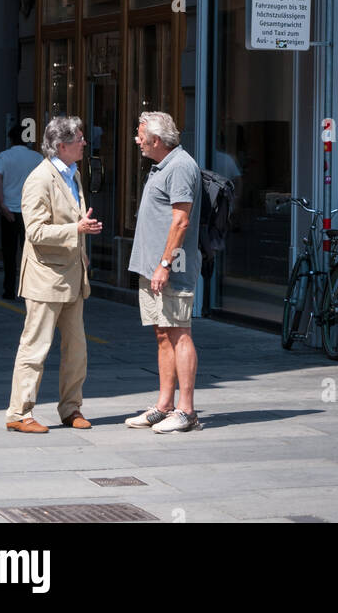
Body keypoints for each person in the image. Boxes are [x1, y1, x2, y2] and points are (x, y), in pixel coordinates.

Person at [5, 117, 102, 433]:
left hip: (73, 278)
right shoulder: (39, 179)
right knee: (35, 347)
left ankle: (71, 408)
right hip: (46, 278)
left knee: (77, 350)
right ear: (62, 146)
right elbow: (33, 231)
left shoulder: (72, 175)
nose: (84, 143)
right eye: (79, 139)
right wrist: (76, 229)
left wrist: (82, 252)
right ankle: (19, 413)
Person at [125, 111, 203, 434]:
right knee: (162, 332)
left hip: (172, 267)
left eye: (141, 135)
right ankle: (164, 406)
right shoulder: (163, 166)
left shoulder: (181, 167)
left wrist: (165, 264)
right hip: (155, 268)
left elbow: (181, 221)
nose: (137, 140)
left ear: (156, 140)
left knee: (179, 331)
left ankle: (186, 410)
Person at [0, 123, 42, 300]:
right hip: (30, 212)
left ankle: (9, 290)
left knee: (9, 252)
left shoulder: (4, 156)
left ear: (11, 139)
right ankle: (32, 290)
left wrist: (2, 205)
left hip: (9, 212)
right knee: (31, 253)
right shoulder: (37, 158)